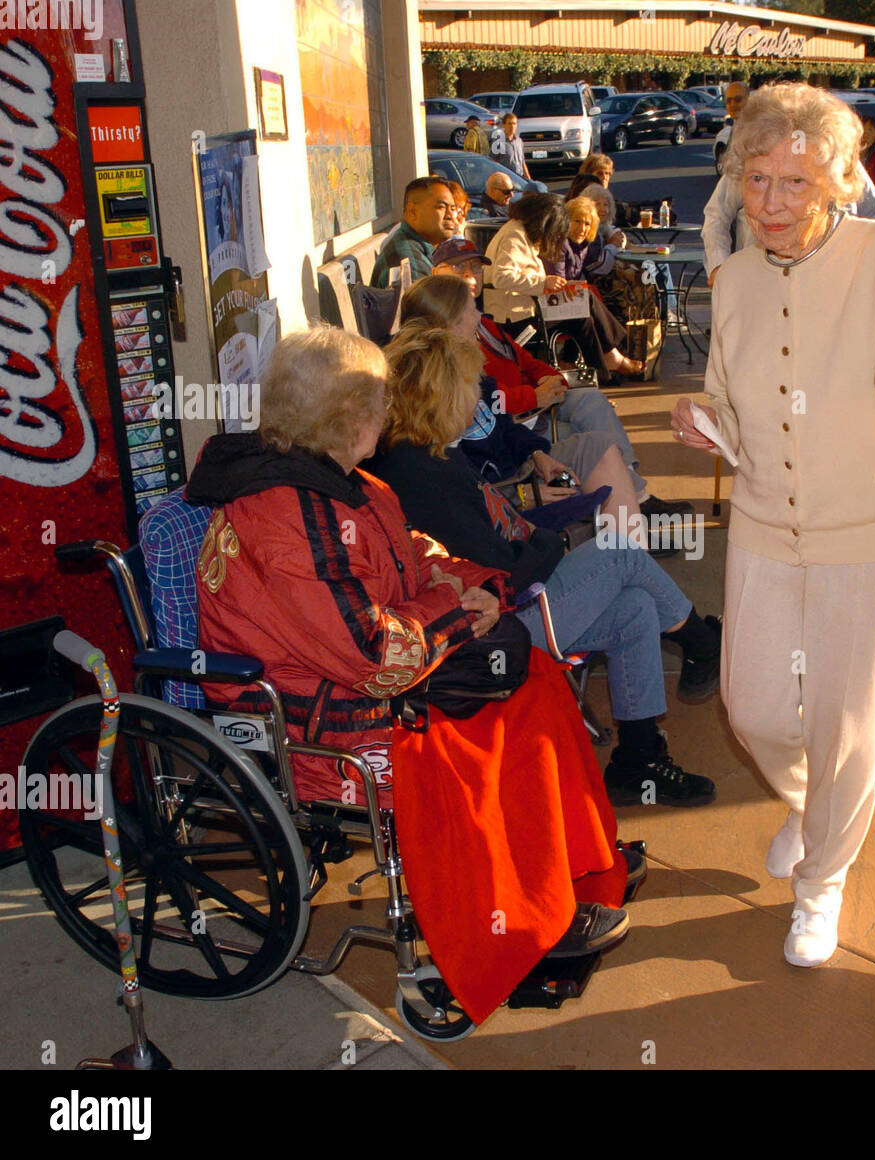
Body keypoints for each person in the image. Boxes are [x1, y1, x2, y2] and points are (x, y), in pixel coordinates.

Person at [187, 326, 633, 1027]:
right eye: (376, 404)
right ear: (345, 419)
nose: (387, 416)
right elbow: (372, 658)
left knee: (537, 681)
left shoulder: (349, 484)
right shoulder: (285, 517)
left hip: (354, 679)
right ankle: (504, 935)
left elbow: (422, 559)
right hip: (309, 721)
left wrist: (478, 585)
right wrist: (459, 614)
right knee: (466, 748)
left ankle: (575, 870)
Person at [670, 82, 875, 970]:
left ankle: (823, 879)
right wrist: (702, 417)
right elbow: (725, 390)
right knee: (752, 707)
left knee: (850, 722)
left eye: (795, 183)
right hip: (760, 524)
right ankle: (809, 803)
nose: (772, 203)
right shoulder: (737, 277)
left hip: (868, 534)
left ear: (838, 181)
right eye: (756, 181)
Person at [369, 324, 721, 806]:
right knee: (618, 552)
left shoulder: (432, 455)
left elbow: (499, 536)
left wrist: (539, 526)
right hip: (497, 627)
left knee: (637, 606)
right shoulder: (420, 474)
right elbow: (502, 568)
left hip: (519, 596)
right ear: (443, 395)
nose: (478, 400)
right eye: (471, 387)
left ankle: (639, 762)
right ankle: (701, 641)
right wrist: (552, 539)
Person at [410, 255, 689, 521]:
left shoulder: (484, 330)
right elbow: (487, 428)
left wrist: (552, 379)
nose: (472, 276)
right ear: (448, 320)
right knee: (593, 441)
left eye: (476, 267)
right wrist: (520, 492)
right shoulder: (441, 386)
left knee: (591, 401)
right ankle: (630, 509)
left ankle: (635, 498)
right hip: (519, 426)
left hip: (524, 420)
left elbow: (523, 361)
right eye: (461, 268)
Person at [702, 90, 875, 282]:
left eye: (796, 181)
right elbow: (717, 215)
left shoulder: (834, 159)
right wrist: (719, 268)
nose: (773, 204)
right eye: (760, 180)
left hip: (829, 283)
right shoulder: (754, 157)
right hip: (759, 283)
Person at [483, 192, 643, 379]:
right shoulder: (515, 236)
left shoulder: (519, 231)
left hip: (525, 308)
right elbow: (501, 277)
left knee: (582, 311)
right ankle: (612, 358)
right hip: (516, 317)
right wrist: (543, 282)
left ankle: (604, 369)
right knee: (583, 310)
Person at [370, 177, 458, 288]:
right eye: (441, 207)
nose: (450, 215)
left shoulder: (424, 248)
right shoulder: (408, 261)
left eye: (453, 208)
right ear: (413, 212)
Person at [490, 112, 531, 180]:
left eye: (514, 123)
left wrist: (528, 179)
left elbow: (522, 162)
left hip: (519, 179)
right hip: (506, 180)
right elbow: (492, 162)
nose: (512, 126)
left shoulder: (519, 141)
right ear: (504, 125)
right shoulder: (498, 141)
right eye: (509, 123)